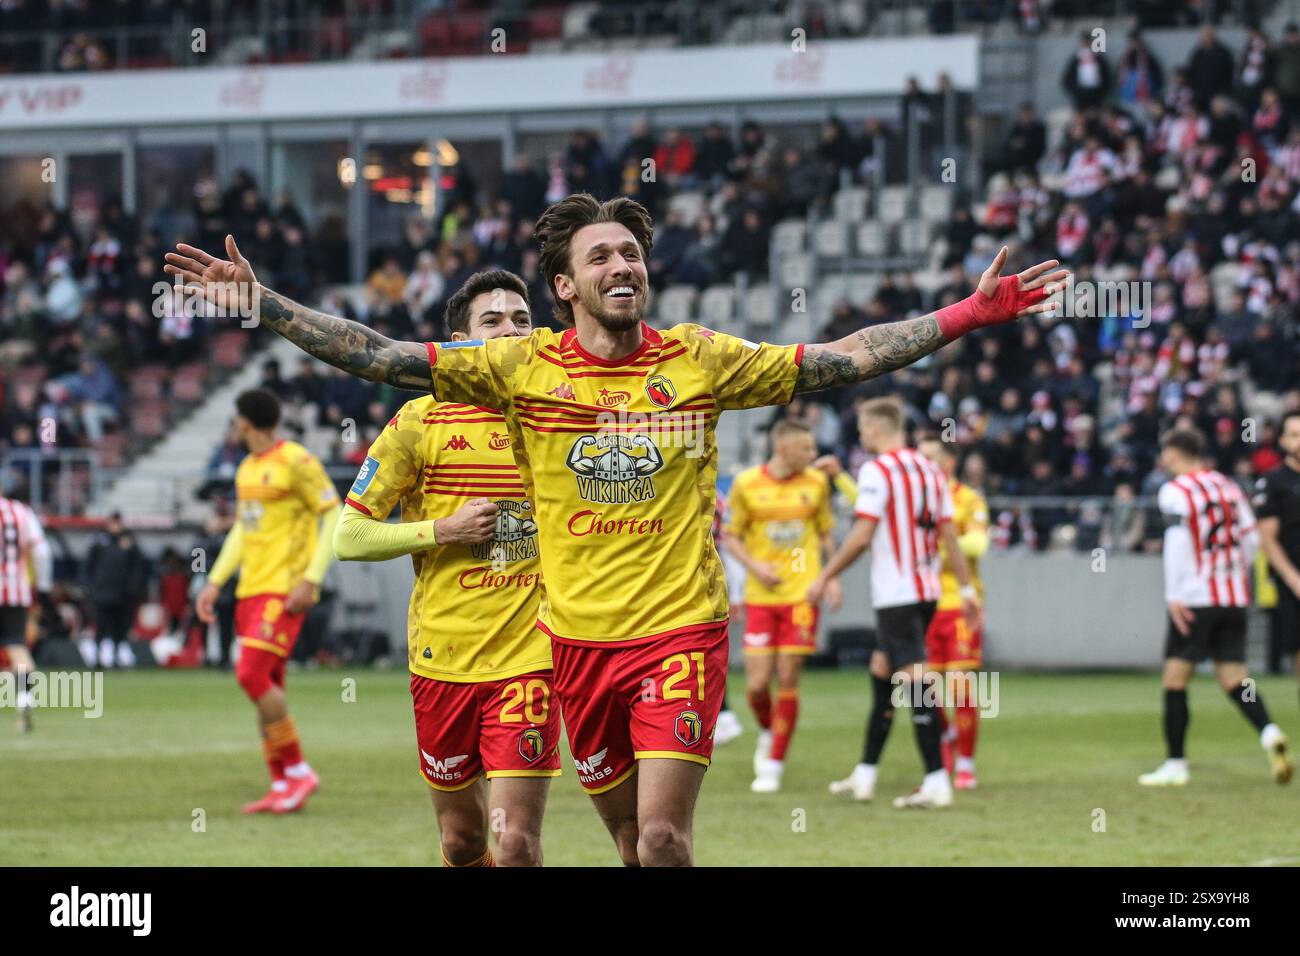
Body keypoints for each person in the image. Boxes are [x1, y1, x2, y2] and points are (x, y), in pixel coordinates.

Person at [165, 194, 1065, 864]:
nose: (622, 266)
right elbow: (379, 355)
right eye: (601, 258)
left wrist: (965, 316)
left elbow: (843, 358)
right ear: (566, 284)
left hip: (680, 632)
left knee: (667, 840)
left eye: (631, 253)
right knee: (630, 844)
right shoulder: (518, 367)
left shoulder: (700, 360)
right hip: (575, 650)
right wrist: (263, 304)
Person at [334, 270, 560, 867]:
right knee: (462, 841)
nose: (511, 330)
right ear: (459, 342)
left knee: (514, 840)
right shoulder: (419, 421)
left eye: (521, 320)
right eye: (493, 321)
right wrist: (443, 530)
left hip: (531, 656)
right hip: (441, 659)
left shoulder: (555, 412)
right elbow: (349, 537)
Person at [809, 399, 982, 809]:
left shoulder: (877, 469)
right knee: (882, 673)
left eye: (864, 429)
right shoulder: (931, 470)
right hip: (927, 591)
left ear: (878, 428)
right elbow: (949, 535)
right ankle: (865, 774)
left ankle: (938, 779)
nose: (861, 436)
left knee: (917, 683)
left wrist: (825, 574)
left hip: (896, 593)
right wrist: (968, 589)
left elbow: (862, 535)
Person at [194, 389, 342, 814]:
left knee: (250, 674)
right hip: (250, 592)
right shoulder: (246, 469)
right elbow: (243, 530)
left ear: (244, 422)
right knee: (267, 687)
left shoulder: (296, 460)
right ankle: (281, 783)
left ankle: (297, 771)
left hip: (284, 589)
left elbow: (333, 514)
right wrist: (215, 582)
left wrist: (311, 579)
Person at [1139, 428, 1291, 787]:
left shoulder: (1175, 491)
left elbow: (1177, 543)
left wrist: (1174, 593)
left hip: (1194, 595)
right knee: (1235, 677)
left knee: (1175, 679)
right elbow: (1251, 538)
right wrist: (1235, 574)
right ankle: (1269, 732)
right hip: (1232, 594)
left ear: (1175, 453)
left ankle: (1176, 764)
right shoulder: (1228, 487)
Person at [721, 418, 842, 793]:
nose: (812, 454)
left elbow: (825, 533)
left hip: (802, 595)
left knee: (788, 677)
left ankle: (773, 762)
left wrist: (830, 577)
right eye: (806, 448)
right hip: (761, 596)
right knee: (757, 685)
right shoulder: (746, 485)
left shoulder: (817, 483)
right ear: (785, 449)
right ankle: (767, 730)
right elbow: (730, 535)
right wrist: (756, 566)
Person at [917, 438, 989, 791]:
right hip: (921, 604)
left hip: (960, 606)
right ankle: (944, 748)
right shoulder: (913, 498)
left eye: (929, 458)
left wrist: (934, 542)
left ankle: (966, 762)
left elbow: (978, 544)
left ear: (948, 464)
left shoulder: (968, 499)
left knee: (961, 687)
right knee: (927, 690)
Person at [1255, 411, 1300, 712]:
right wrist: (1294, 578)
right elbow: (1267, 538)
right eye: (1294, 434)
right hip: (1293, 582)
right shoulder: (1274, 482)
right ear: (1282, 441)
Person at [0, 494, 52, 732]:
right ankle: (25, 701)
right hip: (15, 592)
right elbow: (41, 552)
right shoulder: (21, 512)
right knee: (18, 648)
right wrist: (43, 589)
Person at [81, 512, 149, 668]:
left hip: (122, 594)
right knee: (100, 626)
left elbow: (138, 568)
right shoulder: (98, 542)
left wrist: (134, 588)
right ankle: (97, 658)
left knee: (121, 627)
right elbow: (88, 567)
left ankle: (117, 657)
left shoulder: (129, 543)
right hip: (102, 593)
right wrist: (89, 588)